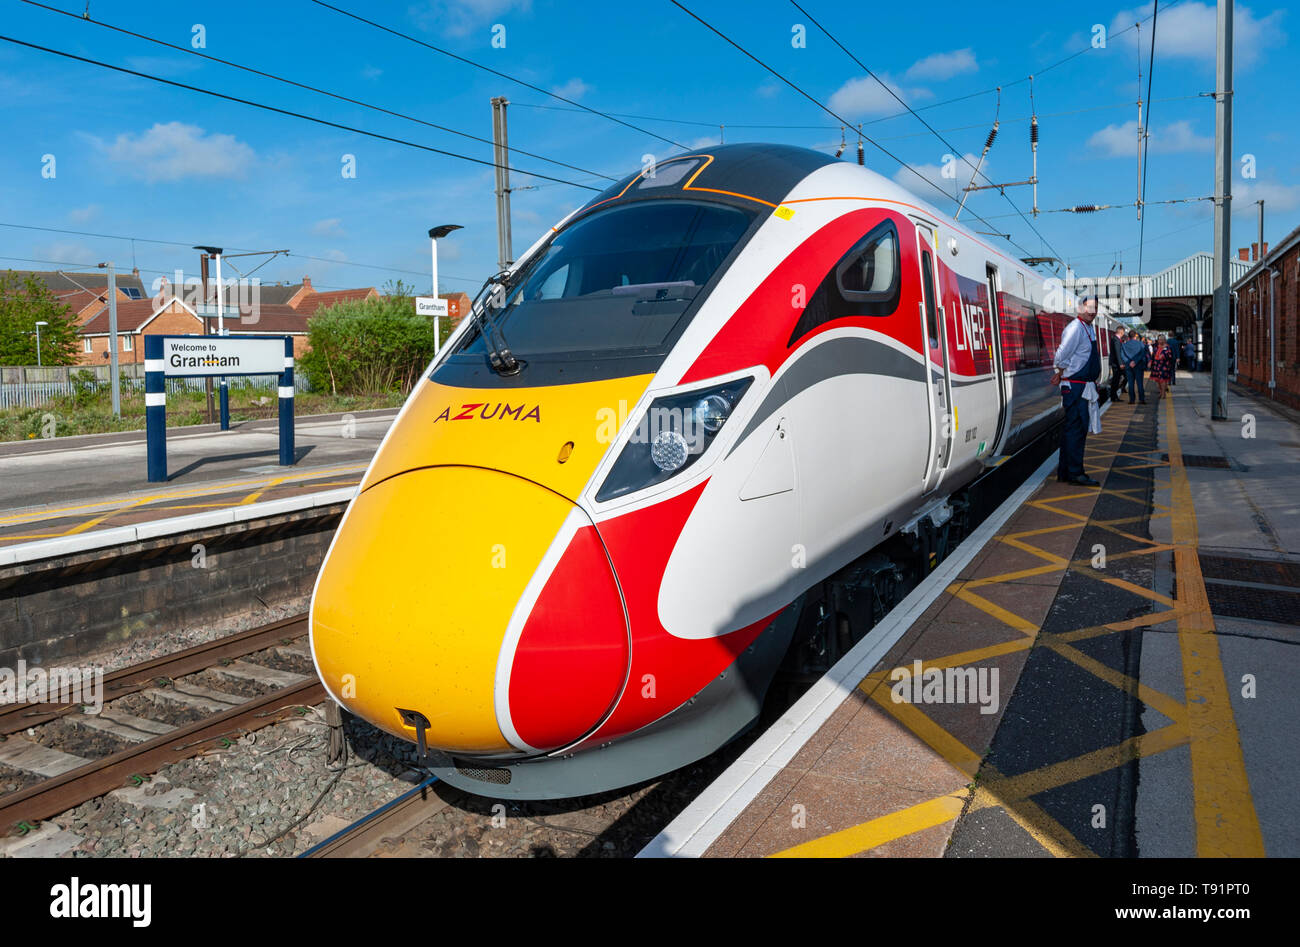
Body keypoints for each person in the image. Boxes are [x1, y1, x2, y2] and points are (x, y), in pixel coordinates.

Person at [1050, 295, 1102, 486]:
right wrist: (1062, 372)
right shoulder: (1075, 328)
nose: (1092, 311)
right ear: (1080, 308)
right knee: (1077, 430)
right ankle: (1075, 473)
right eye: (1089, 307)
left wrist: (1062, 373)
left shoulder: (1088, 328)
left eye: (1095, 308)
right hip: (1076, 387)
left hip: (1081, 385)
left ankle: (1066, 471)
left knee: (1073, 429)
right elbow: (1061, 356)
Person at [1120, 330, 1147, 404]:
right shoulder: (1140, 344)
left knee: (1131, 383)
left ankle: (1132, 400)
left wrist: (1129, 362)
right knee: (1140, 383)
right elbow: (1142, 354)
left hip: (1129, 366)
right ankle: (1142, 399)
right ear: (1135, 336)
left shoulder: (1124, 345)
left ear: (1128, 336)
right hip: (1138, 366)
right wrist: (1135, 361)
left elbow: (1122, 355)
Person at [1109, 326, 1128, 400]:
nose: (1123, 334)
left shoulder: (1115, 339)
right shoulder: (1116, 340)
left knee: (1117, 379)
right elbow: (1117, 352)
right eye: (1123, 333)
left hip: (1116, 363)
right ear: (1121, 332)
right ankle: (1114, 396)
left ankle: (1114, 395)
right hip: (1117, 364)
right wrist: (1120, 363)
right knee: (1116, 380)